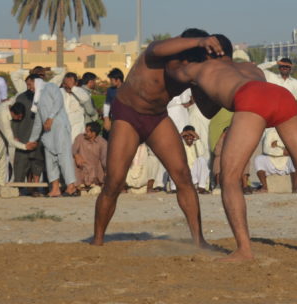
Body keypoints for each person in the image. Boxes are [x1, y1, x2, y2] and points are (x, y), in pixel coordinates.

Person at [168, 34, 297, 261]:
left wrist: (191, 55)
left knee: (229, 178)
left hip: (250, 98)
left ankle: (244, 250)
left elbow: (182, 82)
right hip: (281, 97)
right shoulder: (250, 67)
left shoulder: (198, 70)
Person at [92, 30, 215, 247]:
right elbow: (156, 48)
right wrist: (200, 41)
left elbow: (207, 110)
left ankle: (199, 239)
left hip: (157, 117)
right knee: (114, 181)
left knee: (183, 176)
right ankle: (98, 239)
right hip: (127, 114)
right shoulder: (158, 52)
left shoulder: (191, 70)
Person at [29, 80, 78, 197]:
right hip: (48, 133)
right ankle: (55, 188)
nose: (29, 88)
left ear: (35, 82)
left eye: (30, 84)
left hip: (60, 128)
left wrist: (50, 118)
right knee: (50, 160)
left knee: (64, 157)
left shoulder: (50, 86)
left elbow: (58, 101)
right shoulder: (37, 101)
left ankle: (71, 186)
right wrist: (32, 140)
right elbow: (38, 122)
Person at [0, 100, 33, 190]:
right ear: (13, 113)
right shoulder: (3, 117)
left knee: (3, 158)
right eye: (18, 117)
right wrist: (25, 146)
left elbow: (11, 99)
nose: (19, 119)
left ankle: (1, 185)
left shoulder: (9, 105)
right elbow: (11, 141)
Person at [254, 126, 297, 193]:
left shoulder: (289, 128)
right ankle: (264, 187)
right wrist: (283, 151)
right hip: (271, 159)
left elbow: (293, 146)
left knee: (296, 159)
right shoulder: (268, 129)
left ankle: (295, 188)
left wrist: (277, 144)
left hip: (286, 160)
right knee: (259, 159)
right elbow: (267, 149)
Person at [72, 121, 108, 191]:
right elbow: (73, 149)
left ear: (93, 133)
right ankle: (77, 186)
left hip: (95, 169)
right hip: (82, 167)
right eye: (85, 130)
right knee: (72, 160)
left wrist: (107, 171)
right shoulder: (80, 138)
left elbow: (104, 159)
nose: (85, 132)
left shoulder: (103, 143)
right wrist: (76, 155)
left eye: (87, 131)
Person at [179, 125, 210, 193]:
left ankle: (201, 187)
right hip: (184, 173)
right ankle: (174, 189)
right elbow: (173, 151)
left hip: (195, 175)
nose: (188, 138)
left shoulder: (197, 144)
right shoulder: (180, 144)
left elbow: (201, 153)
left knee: (201, 159)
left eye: (191, 135)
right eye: (186, 136)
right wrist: (179, 136)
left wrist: (197, 137)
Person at [102, 68, 124, 134]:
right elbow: (107, 104)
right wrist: (106, 118)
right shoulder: (110, 90)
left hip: (126, 121)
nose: (110, 82)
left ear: (118, 80)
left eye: (111, 80)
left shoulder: (128, 89)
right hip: (114, 119)